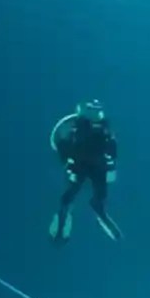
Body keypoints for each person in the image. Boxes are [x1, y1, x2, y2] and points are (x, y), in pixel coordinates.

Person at [49, 99, 121, 245]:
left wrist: (110, 163)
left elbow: (111, 147)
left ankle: (90, 207)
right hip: (85, 165)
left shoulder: (99, 128)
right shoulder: (81, 127)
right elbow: (63, 145)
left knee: (81, 191)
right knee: (75, 192)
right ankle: (70, 211)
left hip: (91, 165)